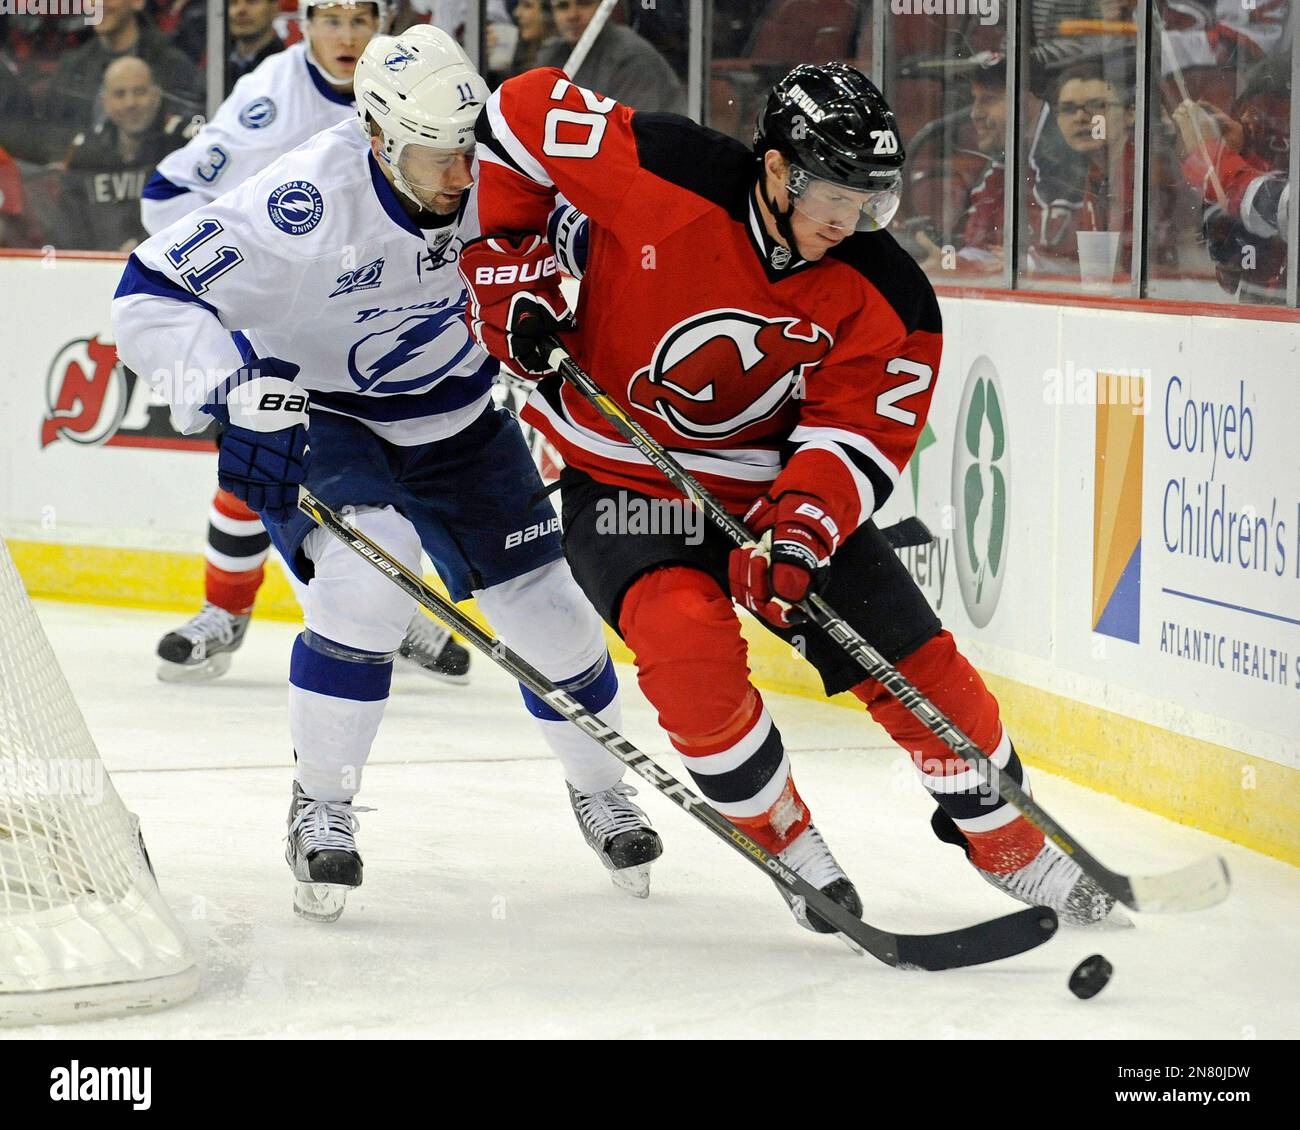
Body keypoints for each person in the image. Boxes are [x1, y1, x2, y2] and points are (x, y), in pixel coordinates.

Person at [460, 61, 1121, 931]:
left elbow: (855, 436)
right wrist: (510, 268)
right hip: (624, 479)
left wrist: (802, 533)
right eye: (831, 197)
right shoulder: (663, 169)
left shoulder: (891, 296)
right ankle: (786, 841)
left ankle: (1011, 842)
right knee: (683, 647)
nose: (848, 223)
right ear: (775, 170)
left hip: (773, 498)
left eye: (869, 201)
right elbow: (517, 113)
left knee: (921, 668)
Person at [112, 25, 662, 921]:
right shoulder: (303, 202)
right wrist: (233, 391)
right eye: (434, 156)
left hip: (462, 422)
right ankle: (322, 804)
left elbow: (610, 243)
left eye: (466, 151)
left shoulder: (500, 169)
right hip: (332, 420)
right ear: (376, 135)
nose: (459, 175)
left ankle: (602, 784)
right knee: (368, 590)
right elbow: (149, 290)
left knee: (556, 620)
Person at [141, 1, 470, 684]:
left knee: (396, 465)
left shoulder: (423, 91)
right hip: (287, 320)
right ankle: (224, 612)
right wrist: (222, 295)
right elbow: (167, 191)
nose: (346, 36)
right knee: (260, 467)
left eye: (361, 18)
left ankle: (391, 607)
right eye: (330, 19)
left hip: (380, 316)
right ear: (304, 26)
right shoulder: (269, 97)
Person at [60, 58, 194, 253]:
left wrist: (144, 243)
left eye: (139, 92)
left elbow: (198, 213)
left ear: (156, 97)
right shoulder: (85, 151)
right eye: (119, 94)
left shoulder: (184, 145)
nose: (130, 103)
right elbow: (67, 227)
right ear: (105, 102)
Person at [43, 0, 202, 162]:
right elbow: (53, 140)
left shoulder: (173, 65)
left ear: (137, 2)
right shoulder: (70, 70)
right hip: (88, 179)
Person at [535, 0, 685, 114]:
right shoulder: (551, 57)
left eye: (584, 3)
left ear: (603, 6)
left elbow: (631, 136)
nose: (572, 15)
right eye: (562, 6)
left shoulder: (631, 56)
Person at [227, 0, 287, 89]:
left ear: (274, 8)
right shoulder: (210, 64)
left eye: (252, 2)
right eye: (233, 2)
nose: (240, 10)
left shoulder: (287, 69)